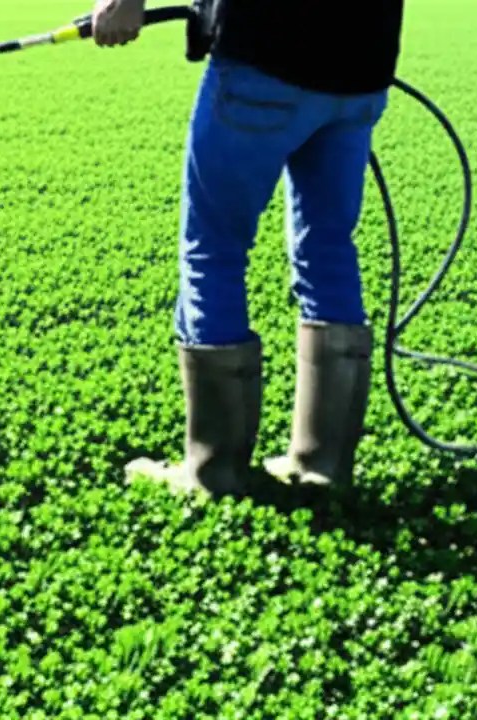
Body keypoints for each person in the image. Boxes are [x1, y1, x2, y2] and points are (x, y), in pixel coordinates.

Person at [93, 0, 406, 496]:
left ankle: (214, 473)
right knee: (328, 247)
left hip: (267, 58)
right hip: (362, 65)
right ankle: (323, 465)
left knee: (213, 250)